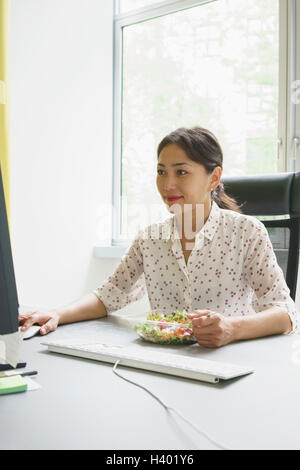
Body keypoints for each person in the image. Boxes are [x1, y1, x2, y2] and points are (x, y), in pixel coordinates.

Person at [19, 126, 299, 347]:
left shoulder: (246, 233)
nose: (168, 184)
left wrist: (231, 328)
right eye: (161, 172)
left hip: (230, 363)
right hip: (164, 364)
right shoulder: (150, 239)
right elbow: (109, 295)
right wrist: (57, 313)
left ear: (213, 178)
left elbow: (286, 312)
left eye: (181, 172)